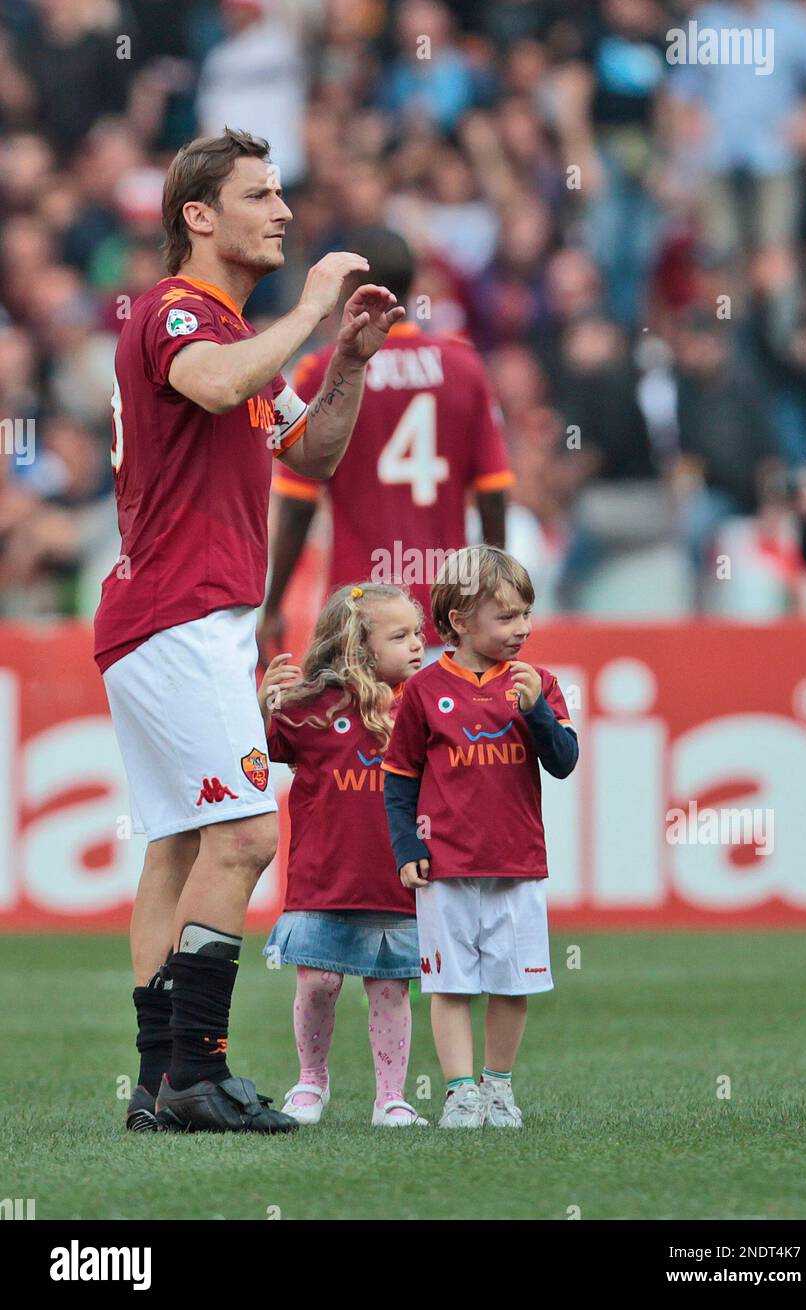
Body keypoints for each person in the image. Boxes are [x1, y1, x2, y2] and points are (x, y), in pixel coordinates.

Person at [93, 126, 405, 1134]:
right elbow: (218, 385)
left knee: (180, 848)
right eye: (260, 195)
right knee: (249, 829)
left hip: (175, 614)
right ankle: (198, 1071)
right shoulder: (176, 314)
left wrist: (346, 361)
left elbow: (306, 449)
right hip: (179, 612)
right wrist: (312, 309)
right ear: (199, 215)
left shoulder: (222, 329)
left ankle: (156, 1082)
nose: (280, 211)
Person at [382, 545, 578, 1130]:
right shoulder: (421, 691)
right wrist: (407, 848)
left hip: (517, 863)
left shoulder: (538, 682)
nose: (522, 629)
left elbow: (564, 761)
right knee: (449, 983)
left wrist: (537, 711)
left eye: (526, 614)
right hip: (446, 865)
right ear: (460, 621)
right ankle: (460, 1092)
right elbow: (399, 779)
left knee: (512, 983)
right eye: (507, 616)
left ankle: (499, 1087)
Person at [259, 226, 513, 660]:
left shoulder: (323, 370)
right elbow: (493, 495)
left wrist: (275, 606)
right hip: (444, 615)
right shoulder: (463, 367)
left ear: (353, 289)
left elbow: (299, 502)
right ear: (412, 284)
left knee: (364, 728)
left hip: (359, 619)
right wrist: (496, 597)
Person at [259, 582, 429, 1128]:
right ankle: (311, 1081)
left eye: (418, 633)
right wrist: (264, 704)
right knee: (318, 983)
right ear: (357, 646)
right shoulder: (311, 710)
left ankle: (392, 1097)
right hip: (323, 878)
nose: (417, 645)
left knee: (389, 987)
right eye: (400, 636)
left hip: (394, 878)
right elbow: (259, 758)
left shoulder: (422, 707)